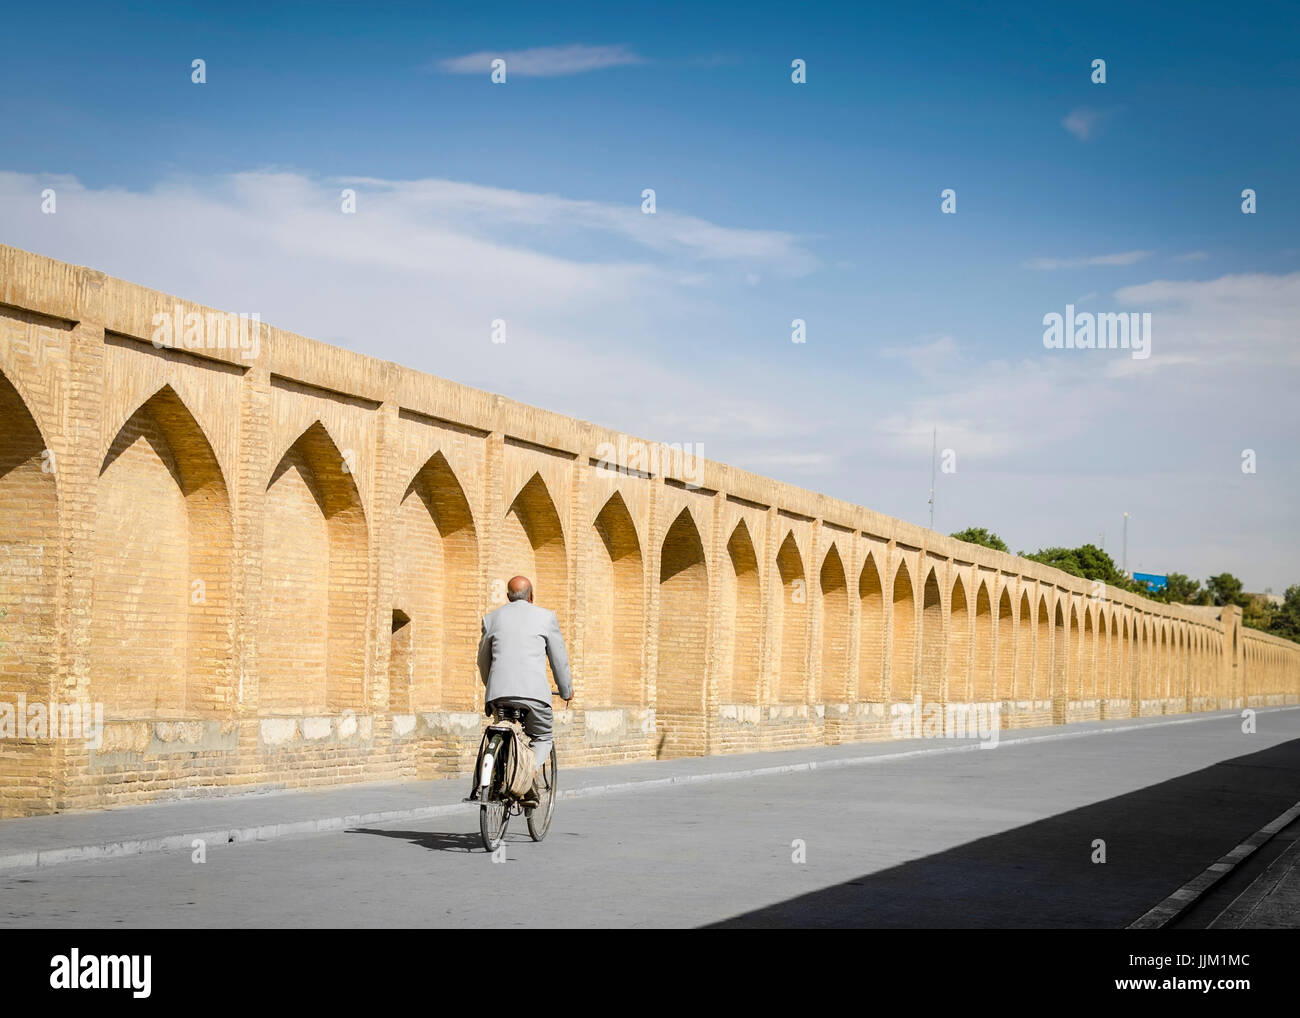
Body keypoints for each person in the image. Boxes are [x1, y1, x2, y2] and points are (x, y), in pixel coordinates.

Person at [476, 575, 573, 804]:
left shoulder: (491, 619)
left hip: (498, 694)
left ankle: (497, 775)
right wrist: (566, 689)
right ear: (532, 595)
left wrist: (491, 686)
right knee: (543, 736)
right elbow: (559, 660)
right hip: (534, 695)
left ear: (508, 597)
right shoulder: (546, 618)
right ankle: (527, 775)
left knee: (500, 725)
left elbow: (482, 661)